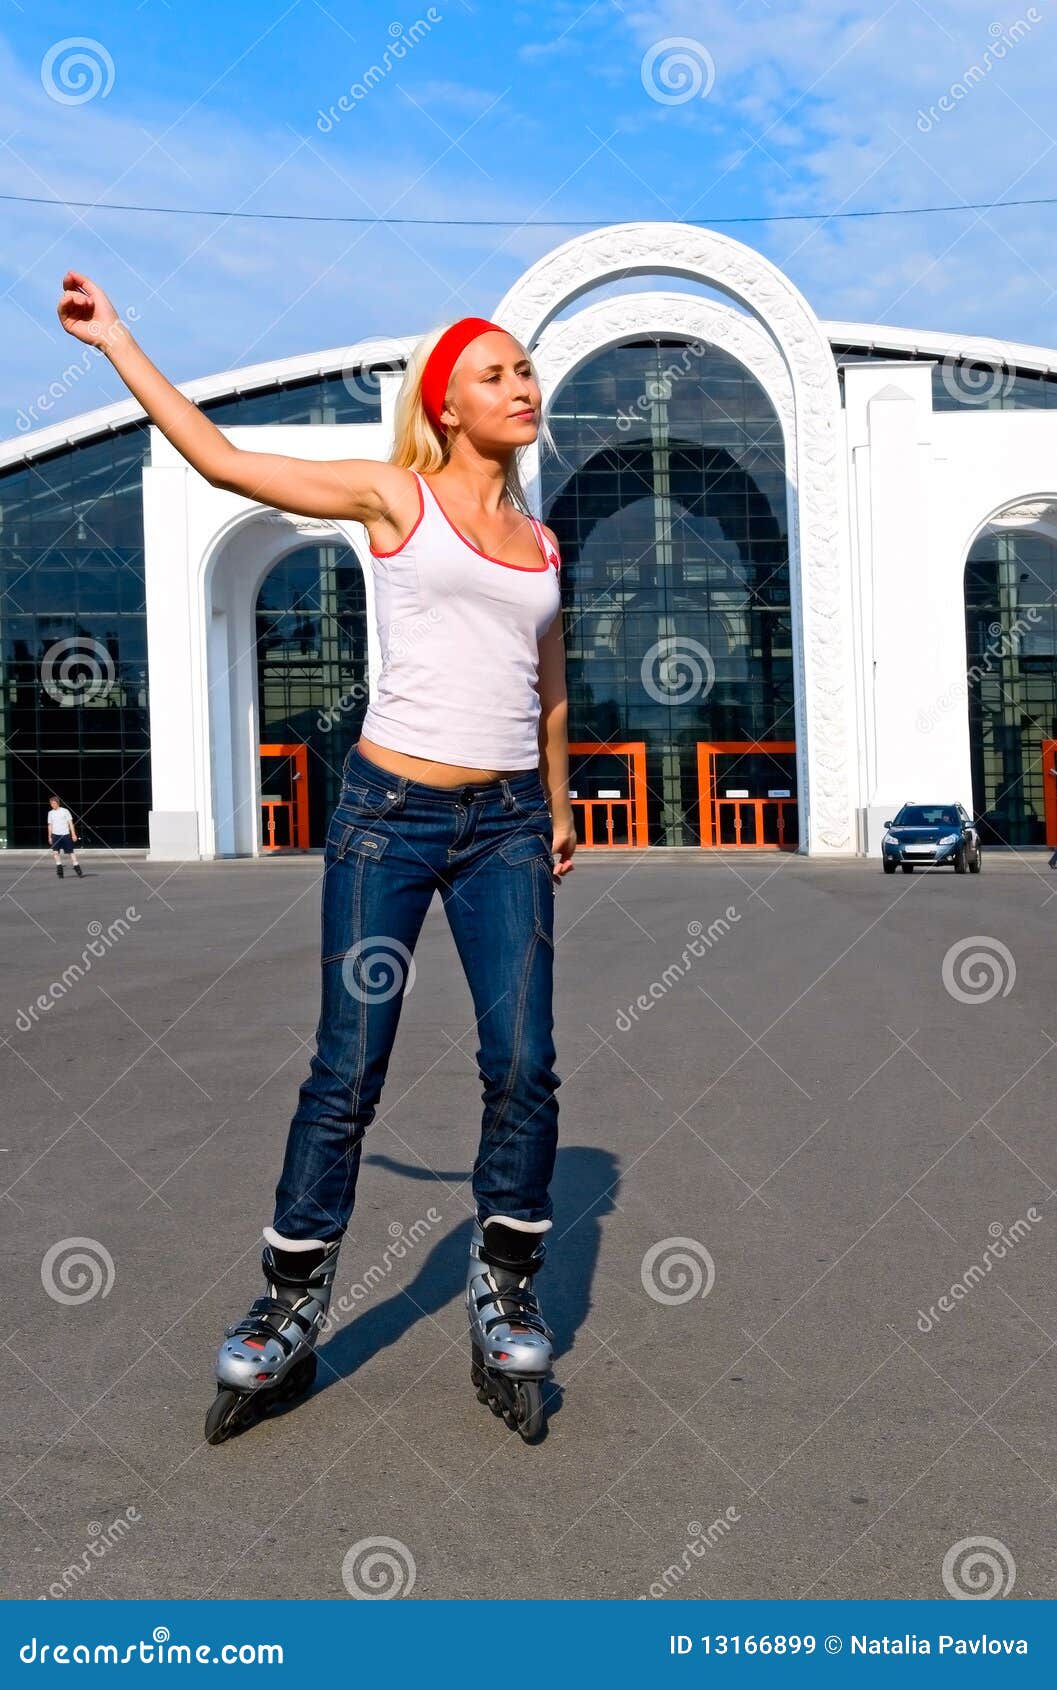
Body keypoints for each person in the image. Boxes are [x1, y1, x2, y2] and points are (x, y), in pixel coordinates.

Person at [57, 275, 577, 1443]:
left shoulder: (542, 541)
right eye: (495, 373)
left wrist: (555, 808)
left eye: (525, 369)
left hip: (504, 829)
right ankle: (290, 1300)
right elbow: (224, 464)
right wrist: (119, 344)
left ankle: (504, 1284)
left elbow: (547, 690)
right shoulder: (395, 496)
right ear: (445, 405)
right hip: (386, 818)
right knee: (348, 1067)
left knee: (526, 1059)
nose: (522, 385)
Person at [47, 794, 83, 879]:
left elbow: (70, 824)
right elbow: (50, 825)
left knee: (71, 852)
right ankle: (59, 869)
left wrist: (73, 834)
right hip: (55, 835)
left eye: (54, 803)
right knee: (55, 852)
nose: (52, 805)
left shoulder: (65, 811)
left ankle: (77, 867)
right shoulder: (50, 813)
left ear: (58, 803)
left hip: (65, 835)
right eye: (51, 803)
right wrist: (49, 836)